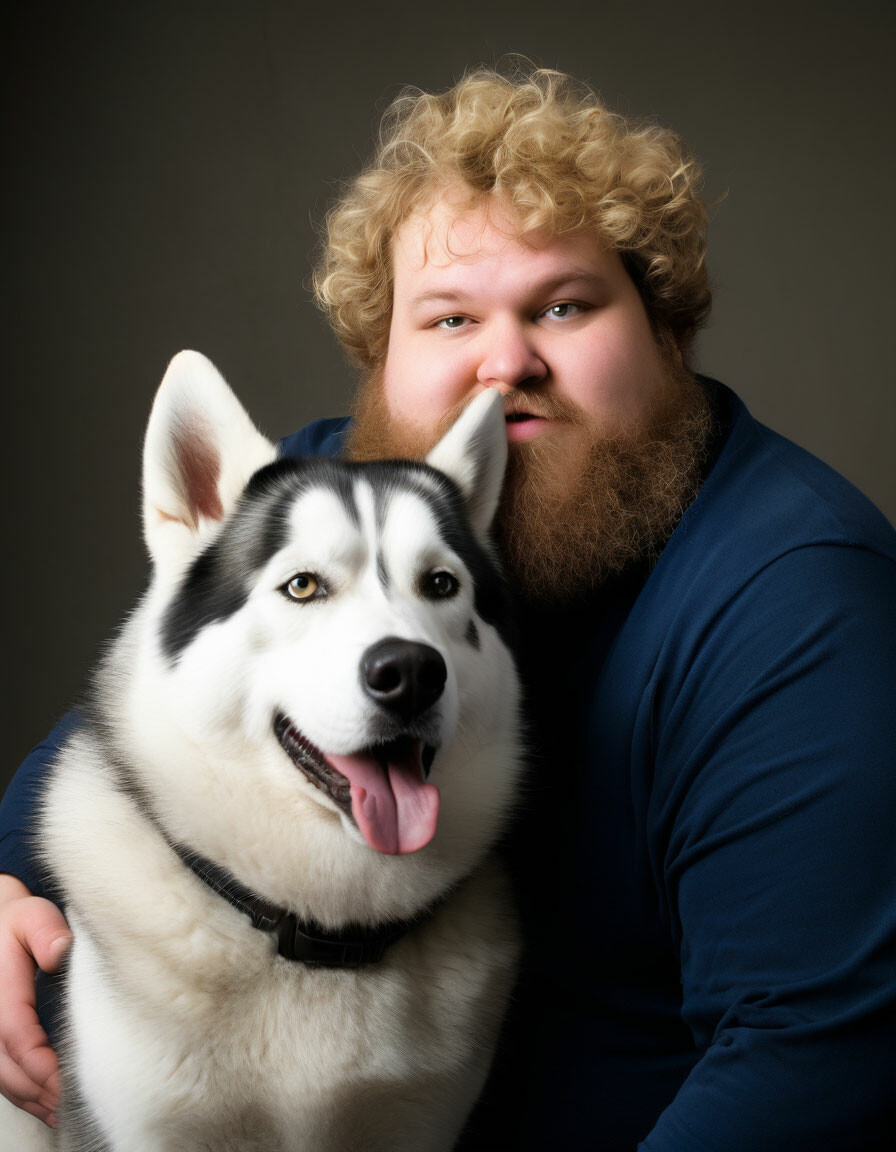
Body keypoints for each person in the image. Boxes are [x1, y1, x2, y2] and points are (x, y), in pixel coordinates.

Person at [1, 67, 894, 1149]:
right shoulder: (344, 495)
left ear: (665, 330)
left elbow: (810, 1057)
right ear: (380, 358)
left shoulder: (798, 604)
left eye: (563, 305)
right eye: (448, 316)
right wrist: (7, 891)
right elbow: (139, 736)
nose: (503, 364)